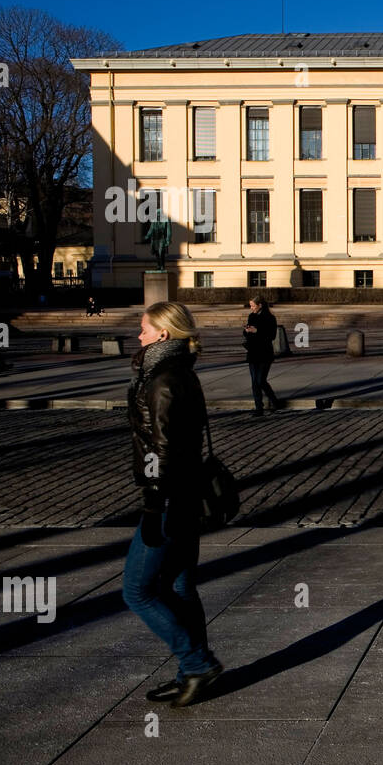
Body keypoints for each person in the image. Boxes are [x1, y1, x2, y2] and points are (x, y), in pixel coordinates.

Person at [125, 301, 223, 708]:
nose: (139, 335)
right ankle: (190, 674)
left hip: (167, 499)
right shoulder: (181, 371)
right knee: (180, 588)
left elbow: (163, 451)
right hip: (186, 496)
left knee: (138, 591)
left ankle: (198, 664)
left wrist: (152, 504)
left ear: (163, 334)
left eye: (145, 329)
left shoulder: (162, 380)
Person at [243, 297, 279, 417]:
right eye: (250, 305)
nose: (251, 308)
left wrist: (257, 331)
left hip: (264, 353)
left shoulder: (270, 318)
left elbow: (272, 335)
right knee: (254, 382)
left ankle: (274, 401)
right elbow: (247, 332)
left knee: (260, 380)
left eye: (253, 305)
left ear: (260, 305)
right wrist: (247, 331)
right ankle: (259, 407)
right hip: (253, 352)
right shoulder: (251, 316)